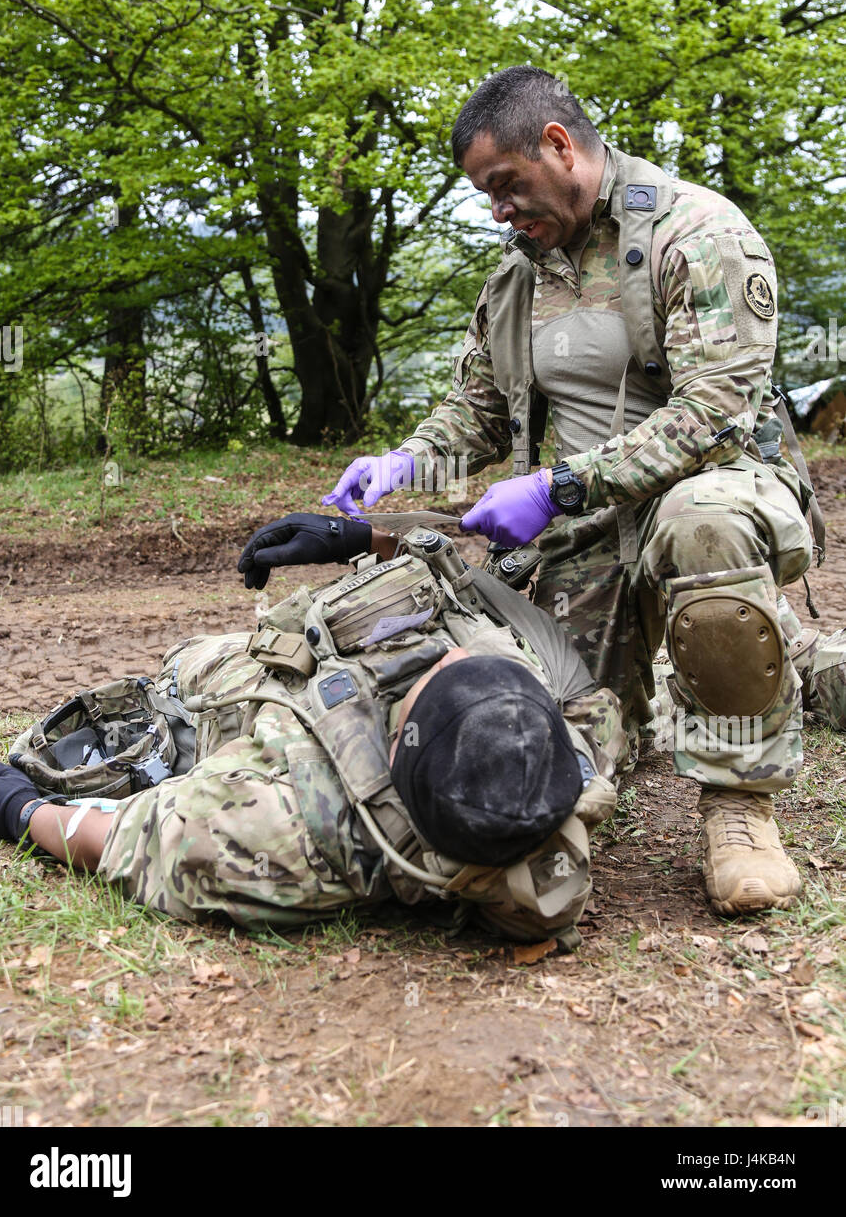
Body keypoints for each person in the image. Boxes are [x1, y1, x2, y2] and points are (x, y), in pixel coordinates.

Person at [323, 65, 830, 916]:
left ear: (558, 145)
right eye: (485, 195)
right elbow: (475, 411)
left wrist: (557, 486)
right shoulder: (518, 277)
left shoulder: (697, 233)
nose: (498, 211)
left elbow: (711, 411)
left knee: (700, 527)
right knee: (554, 714)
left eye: (506, 185)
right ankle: (777, 672)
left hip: (713, 492)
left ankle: (740, 810)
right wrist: (406, 463)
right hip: (585, 527)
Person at [0, 514, 628, 949]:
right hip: (353, 664)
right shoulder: (576, 726)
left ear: (399, 739)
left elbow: (131, 841)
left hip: (241, 690)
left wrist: (19, 809)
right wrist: (360, 536)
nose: (446, 653)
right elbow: (466, 585)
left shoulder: (290, 825)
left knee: (188, 669)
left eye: (434, 678)